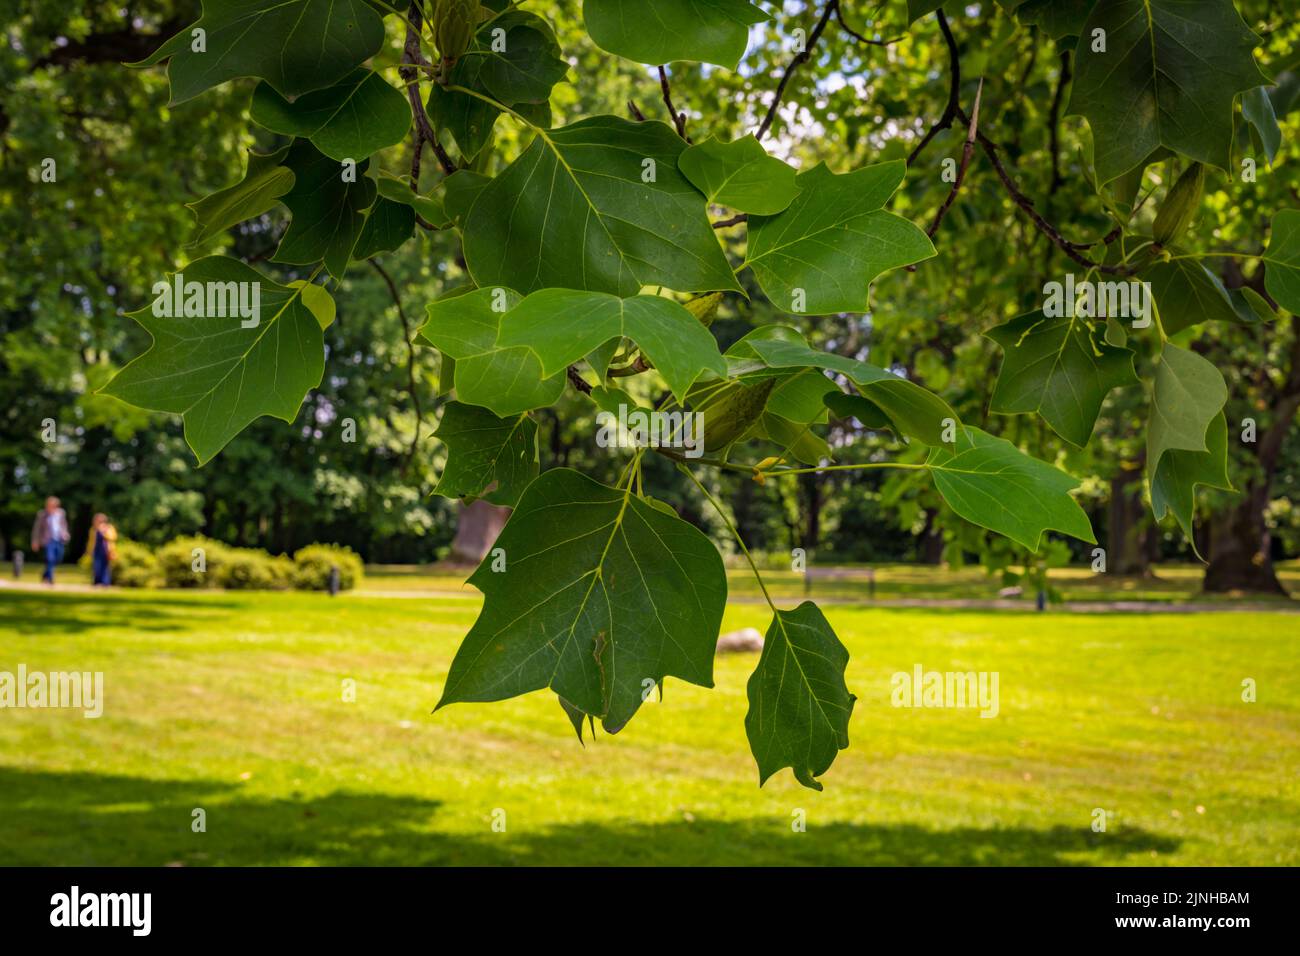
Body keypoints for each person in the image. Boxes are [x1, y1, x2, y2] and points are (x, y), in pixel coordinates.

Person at [31, 496, 71, 585]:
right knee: (50, 558)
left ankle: (45, 574)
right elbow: (37, 529)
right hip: (48, 540)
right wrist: (35, 541)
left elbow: (64, 525)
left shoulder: (61, 513)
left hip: (59, 539)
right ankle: (50, 579)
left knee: (58, 558)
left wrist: (66, 534)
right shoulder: (42, 514)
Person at [88, 513, 118, 587]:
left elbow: (113, 537)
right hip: (97, 550)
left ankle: (105, 582)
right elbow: (91, 541)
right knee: (96, 566)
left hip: (106, 550)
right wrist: (89, 550)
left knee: (105, 567)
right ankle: (97, 581)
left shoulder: (109, 528)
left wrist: (103, 532)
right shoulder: (93, 529)